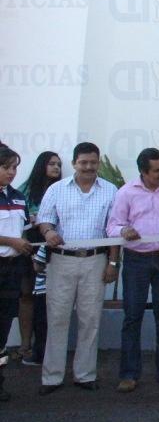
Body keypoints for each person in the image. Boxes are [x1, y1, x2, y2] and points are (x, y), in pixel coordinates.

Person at [36, 142, 119, 395]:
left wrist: (113, 263)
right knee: (58, 318)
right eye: (83, 162)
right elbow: (44, 219)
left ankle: (85, 375)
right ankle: (52, 376)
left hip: (95, 261)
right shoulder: (57, 189)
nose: (89, 167)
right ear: (74, 163)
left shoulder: (110, 190)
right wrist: (48, 232)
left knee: (90, 319)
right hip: (61, 260)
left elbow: (114, 229)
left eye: (93, 162)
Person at [106, 148, 159, 393]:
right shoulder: (126, 193)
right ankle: (129, 373)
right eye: (157, 170)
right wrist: (123, 232)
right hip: (136, 260)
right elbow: (112, 226)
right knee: (132, 316)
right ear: (143, 172)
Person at [15, 151, 60, 366]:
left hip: (50, 246)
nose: (55, 168)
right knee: (26, 294)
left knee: (44, 297)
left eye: (59, 165)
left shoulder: (61, 189)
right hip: (27, 244)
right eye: (51, 164)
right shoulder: (24, 190)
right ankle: (25, 343)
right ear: (41, 165)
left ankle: (44, 347)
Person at [0, 147, 33, 401]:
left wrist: (21, 242)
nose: (11, 172)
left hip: (12, 269)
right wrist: (12, 241)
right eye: (6, 167)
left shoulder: (19, 197)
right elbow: (12, 237)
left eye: (14, 168)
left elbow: (22, 230)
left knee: (3, 326)